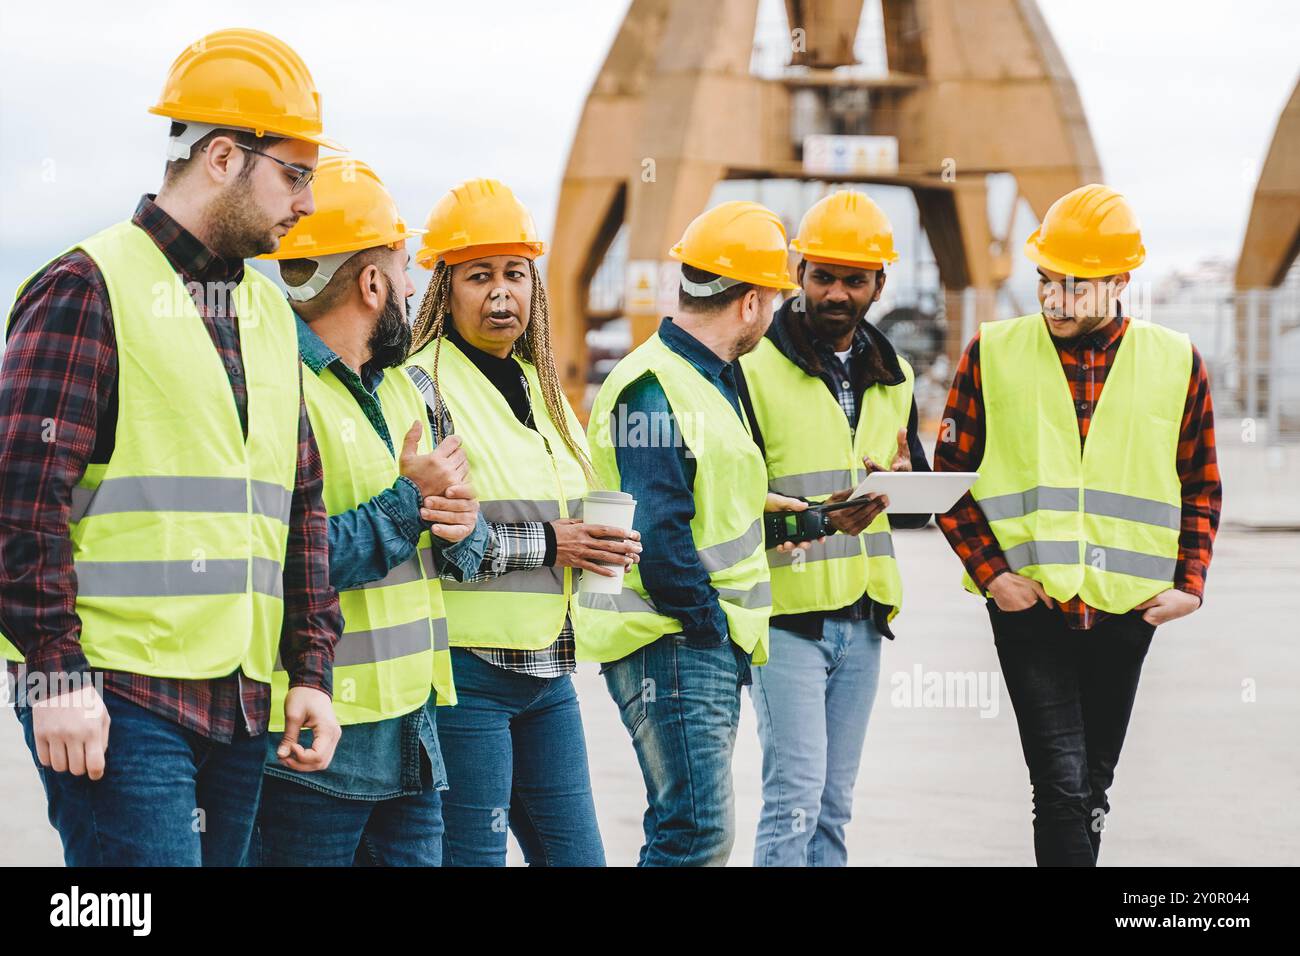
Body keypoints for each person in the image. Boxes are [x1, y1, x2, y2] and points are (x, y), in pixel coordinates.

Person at [0, 28, 345, 865]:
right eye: (294, 174)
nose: (305, 203)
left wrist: (310, 669)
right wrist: (55, 675)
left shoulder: (267, 316)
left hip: (238, 701)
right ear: (223, 157)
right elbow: (22, 494)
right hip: (117, 694)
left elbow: (299, 505)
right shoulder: (86, 286)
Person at [934, 183, 1222, 866]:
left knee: (1092, 784)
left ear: (1121, 281)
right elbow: (950, 477)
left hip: (1126, 613)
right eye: (1045, 280)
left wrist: (1189, 584)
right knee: (1060, 785)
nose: (1054, 298)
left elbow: (1200, 481)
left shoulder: (1176, 361)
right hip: (1032, 608)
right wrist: (993, 574)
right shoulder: (992, 352)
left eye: (1075, 284)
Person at [254, 157, 483, 865]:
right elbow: (289, 557)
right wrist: (410, 503)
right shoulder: (276, 389)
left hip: (409, 736)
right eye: (405, 268)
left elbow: (447, 544)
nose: (415, 287)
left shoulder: (400, 390)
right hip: (319, 739)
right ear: (373, 282)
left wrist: (459, 526)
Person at [405, 178, 641, 866]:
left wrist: (608, 543)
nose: (501, 292)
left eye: (514, 273)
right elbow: (435, 535)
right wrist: (553, 544)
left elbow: (570, 505)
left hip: (548, 672)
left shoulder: (542, 388)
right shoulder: (425, 388)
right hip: (466, 675)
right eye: (479, 276)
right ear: (445, 289)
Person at [582, 200, 797, 866]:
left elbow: (699, 498)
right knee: (696, 833)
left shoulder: (703, 380)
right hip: (671, 640)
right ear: (754, 302)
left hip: (686, 640)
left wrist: (786, 516)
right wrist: (710, 627)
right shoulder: (656, 385)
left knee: (685, 828)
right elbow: (659, 532)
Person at [734, 189, 932, 866]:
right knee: (793, 798)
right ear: (798, 274)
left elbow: (914, 504)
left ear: (880, 283)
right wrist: (818, 516)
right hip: (786, 616)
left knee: (832, 808)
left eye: (854, 280)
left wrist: (901, 481)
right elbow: (730, 500)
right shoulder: (752, 367)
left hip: (863, 616)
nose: (837, 294)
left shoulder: (893, 374)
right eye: (824, 277)